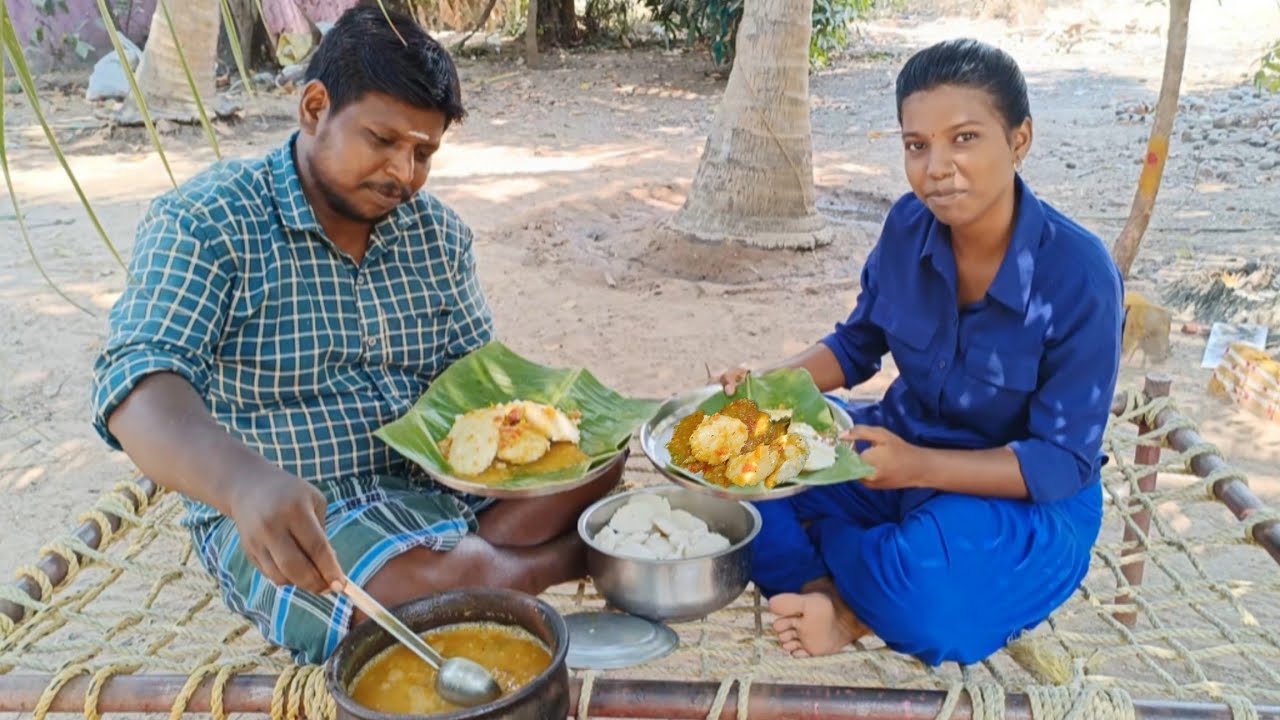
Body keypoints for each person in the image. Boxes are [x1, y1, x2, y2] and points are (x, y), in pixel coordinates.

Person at [89, 5, 618, 665]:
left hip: (434, 487)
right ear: (314, 107)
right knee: (435, 584)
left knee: (599, 451)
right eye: (382, 139)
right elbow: (138, 379)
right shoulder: (205, 220)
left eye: (423, 152)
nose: (403, 171)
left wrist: (558, 433)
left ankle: (486, 569)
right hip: (292, 512)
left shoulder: (436, 234)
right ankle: (558, 559)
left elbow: (479, 381)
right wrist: (242, 483)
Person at [716, 38, 1124, 666]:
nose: (937, 166)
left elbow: (1058, 463)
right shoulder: (908, 226)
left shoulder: (1079, 274)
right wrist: (764, 389)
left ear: (1019, 140)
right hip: (891, 454)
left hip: (1014, 503)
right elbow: (857, 345)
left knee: (941, 602)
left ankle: (849, 608)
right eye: (917, 145)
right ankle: (826, 588)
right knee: (734, 465)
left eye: (964, 138)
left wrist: (918, 467)